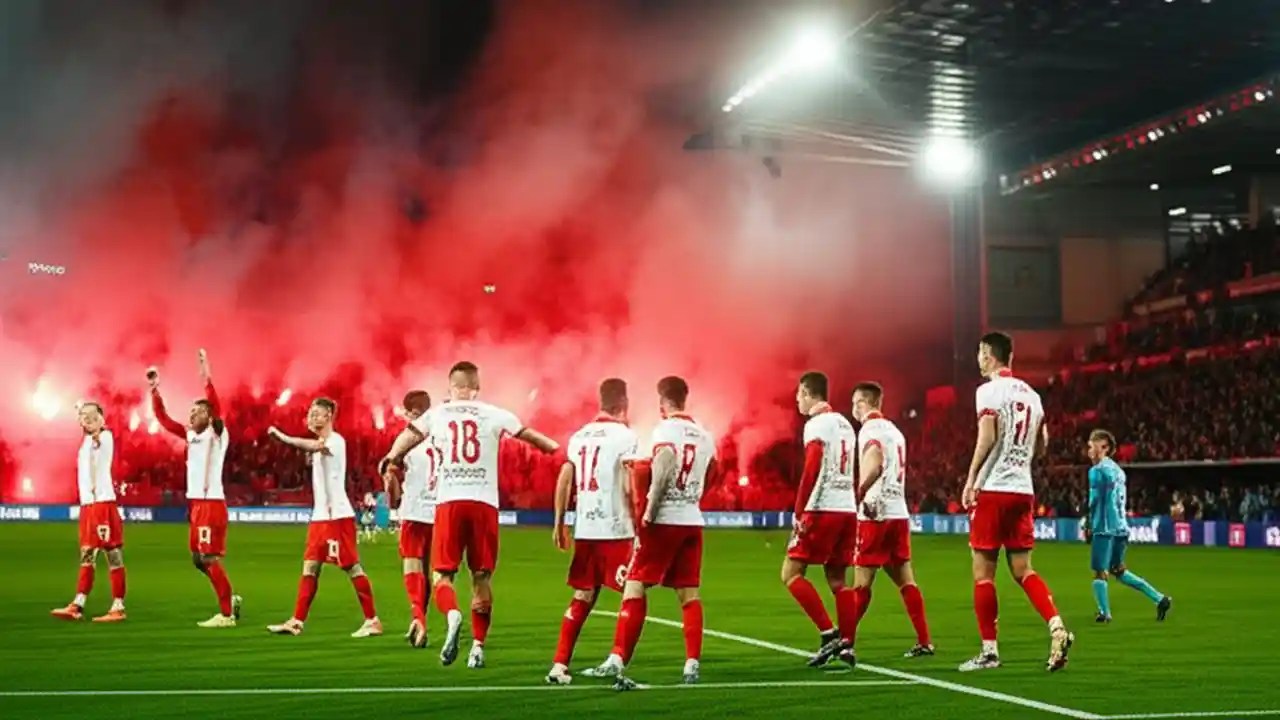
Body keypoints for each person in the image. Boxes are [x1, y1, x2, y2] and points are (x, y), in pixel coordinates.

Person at [382, 361, 559, 668]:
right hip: (484, 504)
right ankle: (477, 646)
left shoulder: (437, 414)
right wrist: (554, 448)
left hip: (450, 501)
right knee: (481, 577)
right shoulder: (494, 413)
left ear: (451, 387)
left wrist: (391, 458)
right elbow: (533, 438)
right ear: (476, 388)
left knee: (442, 575)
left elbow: (408, 437)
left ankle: (452, 615)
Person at [582, 376, 716, 690]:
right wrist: (694, 500)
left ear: (662, 401)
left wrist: (649, 514)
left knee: (634, 585)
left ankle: (616, 658)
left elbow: (664, 464)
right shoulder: (706, 436)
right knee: (689, 594)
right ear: (685, 398)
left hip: (664, 520)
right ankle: (692, 663)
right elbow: (713, 474)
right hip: (691, 519)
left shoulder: (662, 431)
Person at [959, 332, 1073, 672]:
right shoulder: (1033, 396)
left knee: (983, 574)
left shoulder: (988, 391)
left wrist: (970, 479)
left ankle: (990, 652)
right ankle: (1057, 626)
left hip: (993, 489)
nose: (977, 359)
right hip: (1023, 489)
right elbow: (1042, 445)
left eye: (980, 353)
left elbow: (987, 437)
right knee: (1024, 570)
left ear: (991, 355)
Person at [815, 381, 933, 667]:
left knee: (861, 584)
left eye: (855, 402)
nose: (853, 407)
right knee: (906, 580)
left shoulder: (868, 430)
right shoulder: (896, 431)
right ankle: (924, 641)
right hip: (898, 513)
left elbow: (875, 461)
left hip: (875, 513)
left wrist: (859, 491)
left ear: (863, 403)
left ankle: (846, 643)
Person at [546, 378, 638, 685]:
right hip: (617, 528)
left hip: (586, 529)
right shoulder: (626, 436)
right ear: (623, 404)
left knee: (583, 594)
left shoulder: (579, 436)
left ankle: (559, 664)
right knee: (633, 591)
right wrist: (640, 523)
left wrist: (559, 522)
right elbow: (628, 483)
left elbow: (564, 477)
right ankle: (617, 660)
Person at [266, 398, 381, 638]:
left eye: (316, 413)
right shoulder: (321, 444)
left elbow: (313, 447)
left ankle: (372, 620)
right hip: (320, 518)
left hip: (336, 517)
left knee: (351, 567)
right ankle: (296, 621)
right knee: (310, 567)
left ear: (329, 415)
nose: (311, 417)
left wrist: (284, 438)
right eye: (309, 413)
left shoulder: (335, 441)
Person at [149, 349, 241, 628]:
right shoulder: (191, 435)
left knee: (207, 557)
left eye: (198, 411)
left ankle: (226, 615)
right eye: (191, 411)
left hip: (211, 503)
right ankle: (231, 599)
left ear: (209, 416)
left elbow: (214, 402)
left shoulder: (216, 434)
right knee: (197, 559)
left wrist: (205, 372)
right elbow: (164, 420)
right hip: (197, 505)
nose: (192, 414)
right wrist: (154, 390)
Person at [782, 371, 858, 665]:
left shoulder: (815, 425)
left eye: (798, 395)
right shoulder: (845, 425)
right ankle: (848, 646)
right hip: (847, 508)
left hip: (821, 507)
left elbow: (812, 467)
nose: (796, 400)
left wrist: (799, 510)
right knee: (839, 579)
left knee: (791, 573)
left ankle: (829, 634)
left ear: (806, 392)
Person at [51, 402, 128, 623]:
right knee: (87, 554)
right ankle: (78, 604)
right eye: (83, 417)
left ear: (101, 419)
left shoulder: (104, 437)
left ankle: (118, 606)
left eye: (92, 416)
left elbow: (96, 434)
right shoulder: (85, 441)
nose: (86, 420)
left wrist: (92, 424)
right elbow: (87, 428)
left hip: (103, 504)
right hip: (88, 506)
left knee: (112, 554)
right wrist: (82, 412)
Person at [1084, 429, 1172, 623]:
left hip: (1103, 526)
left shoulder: (1096, 471)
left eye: (1092, 446)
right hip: (1121, 527)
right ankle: (1159, 598)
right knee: (1119, 570)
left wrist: (1089, 523)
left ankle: (1104, 613)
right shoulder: (1119, 471)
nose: (1089, 451)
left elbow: (1095, 500)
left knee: (1100, 572)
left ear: (1104, 447)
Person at [381, 390, 438, 649]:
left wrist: (389, 478)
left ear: (411, 413)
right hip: (441, 513)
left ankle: (418, 618)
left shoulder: (406, 442)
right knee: (431, 572)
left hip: (415, 512)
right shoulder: (442, 436)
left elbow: (392, 493)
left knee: (412, 567)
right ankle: (424, 620)